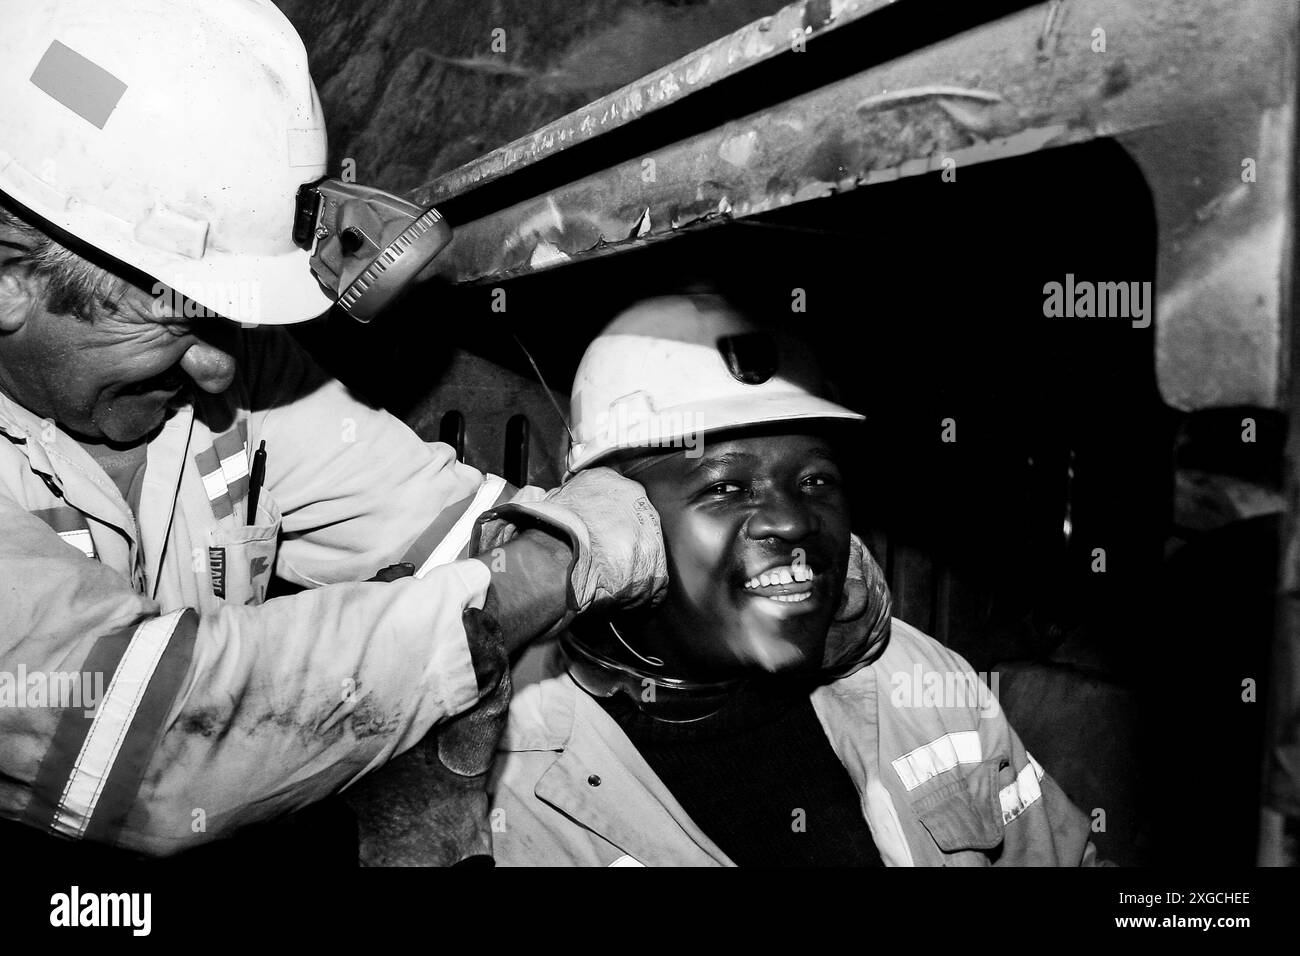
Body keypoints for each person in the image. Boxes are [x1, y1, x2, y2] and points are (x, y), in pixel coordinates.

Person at [0, 0, 665, 860]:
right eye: (179, 322)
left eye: (232, 322)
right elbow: (152, 745)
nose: (218, 371)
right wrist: (531, 583)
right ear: (11, 281)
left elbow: (455, 528)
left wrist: (629, 530)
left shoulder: (248, 381)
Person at [489, 294, 1101, 866]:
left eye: (817, 481)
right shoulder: (511, 769)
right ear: (615, 516)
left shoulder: (917, 678)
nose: (792, 519)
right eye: (726, 487)